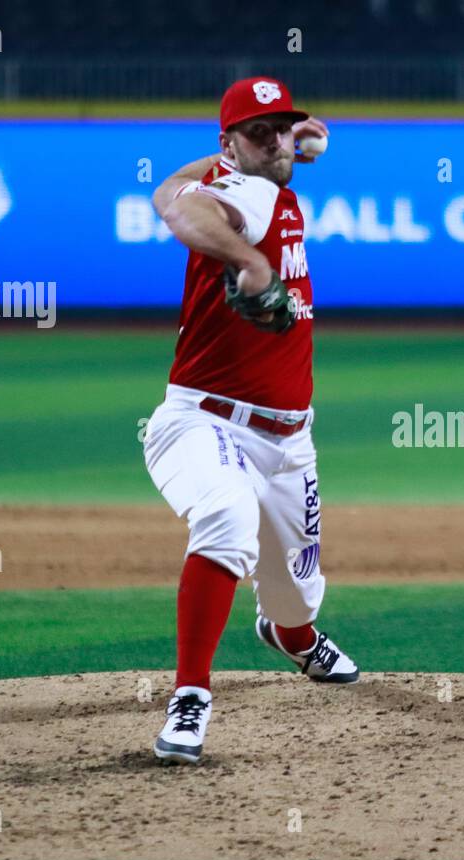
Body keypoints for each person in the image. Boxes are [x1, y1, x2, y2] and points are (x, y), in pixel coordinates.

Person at [144, 76, 357, 765]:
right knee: (226, 519)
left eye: (280, 128)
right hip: (206, 423)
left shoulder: (274, 175)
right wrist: (249, 261)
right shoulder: (242, 192)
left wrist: (300, 135)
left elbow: (169, 190)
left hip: (290, 439)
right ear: (227, 147)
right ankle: (191, 697)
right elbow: (184, 212)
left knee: (297, 597)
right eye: (257, 132)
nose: (273, 141)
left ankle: (291, 638)